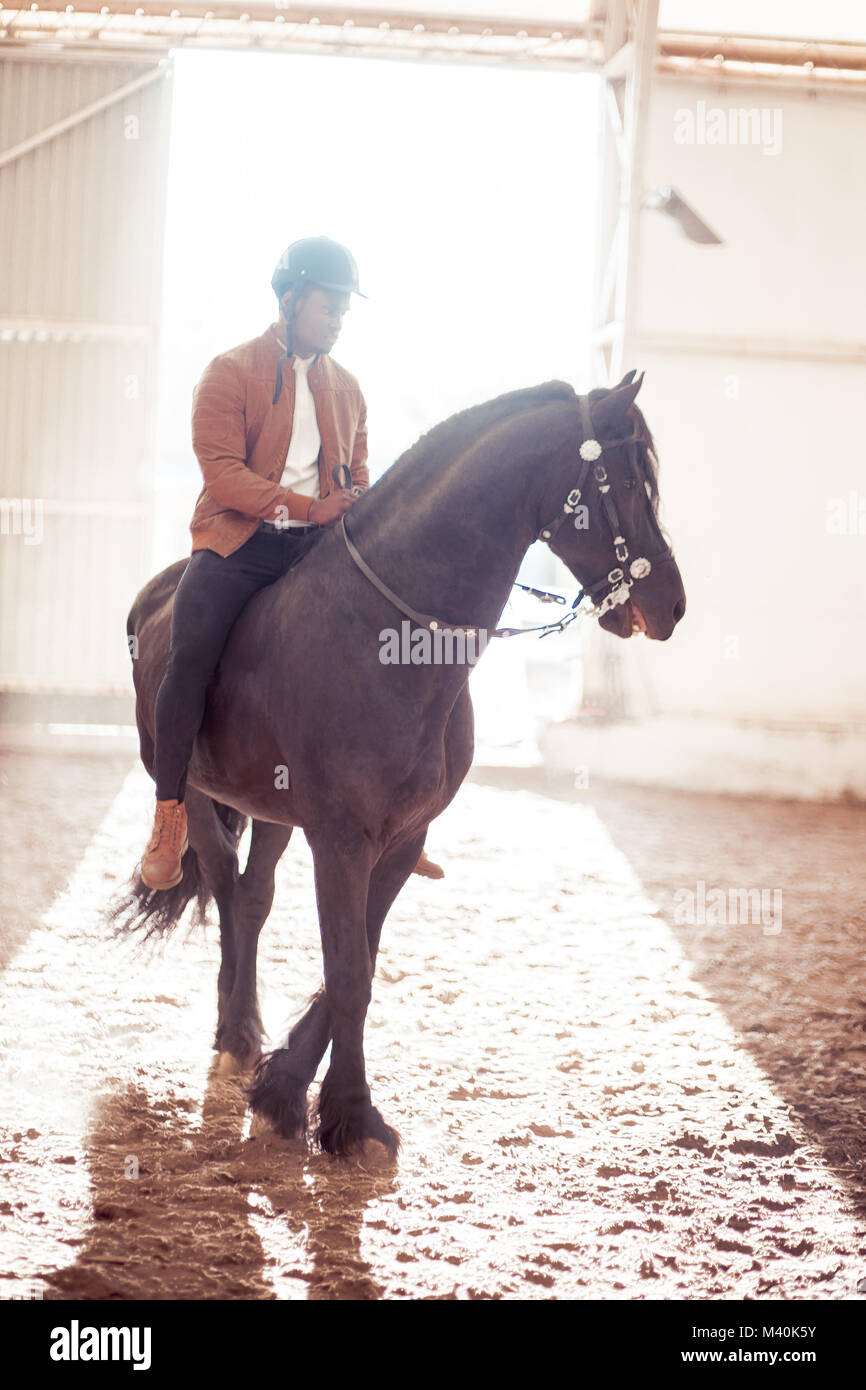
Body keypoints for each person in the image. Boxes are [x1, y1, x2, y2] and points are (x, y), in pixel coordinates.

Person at [141, 236, 444, 890]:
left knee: (406, 647)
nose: (338, 317)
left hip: (321, 548)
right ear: (288, 298)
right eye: (328, 304)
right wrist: (308, 510)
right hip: (239, 542)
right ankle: (169, 813)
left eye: (344, 308)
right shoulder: (228, 373)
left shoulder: (349, 389)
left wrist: (356, 505)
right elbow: (223, 477)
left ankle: (400, 817)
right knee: (189, 656)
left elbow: (357, 477)